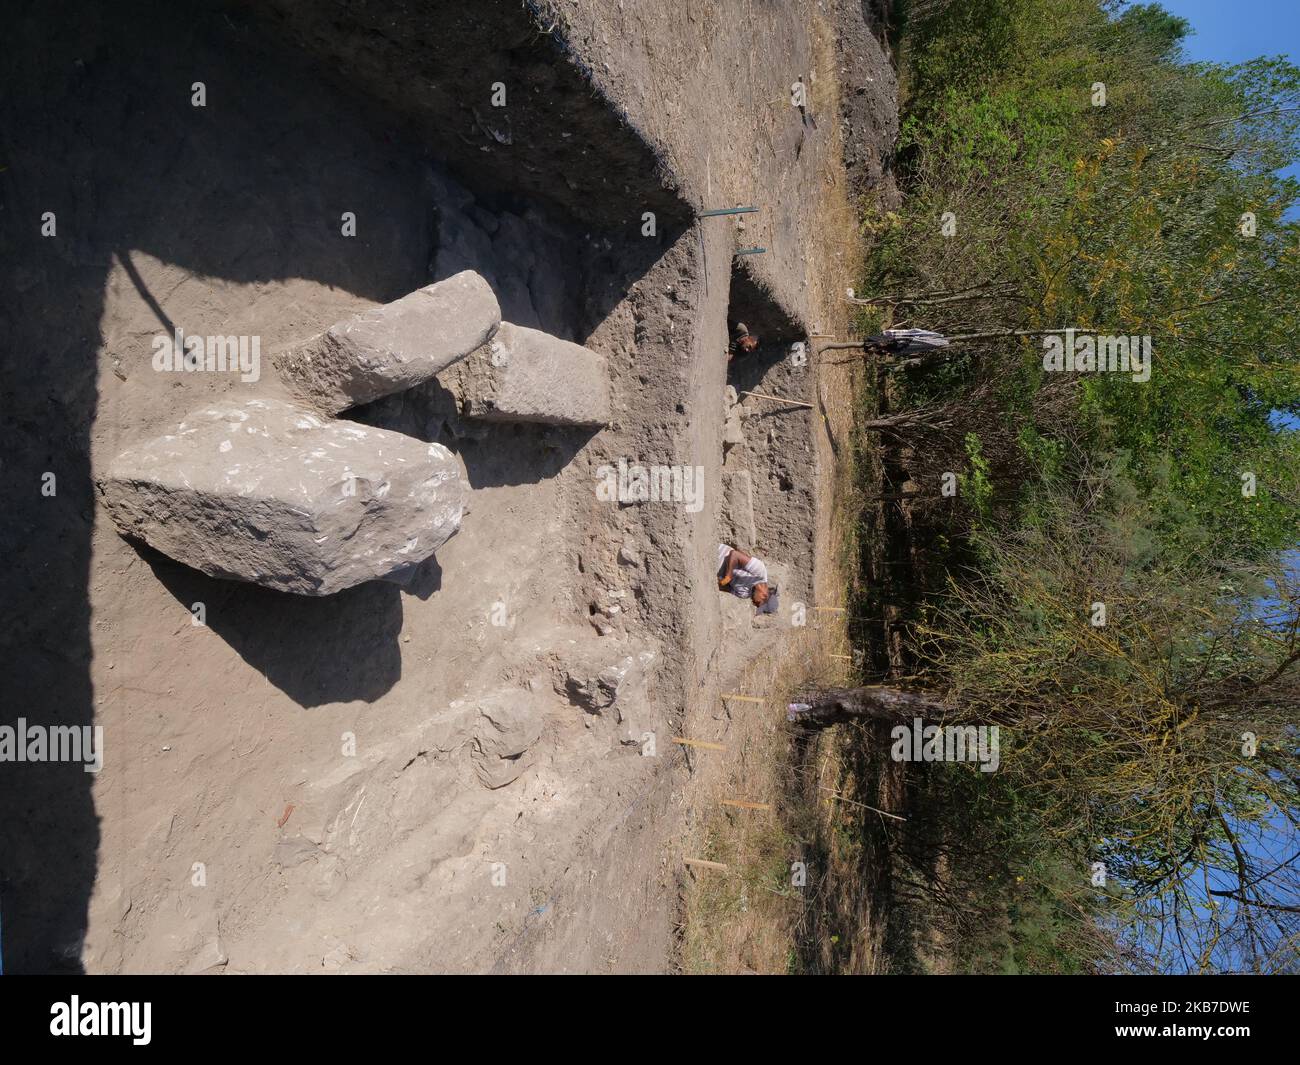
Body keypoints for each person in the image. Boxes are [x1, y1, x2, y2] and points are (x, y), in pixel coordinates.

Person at [717, 543, 779, 614]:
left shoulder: (745, 595)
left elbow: (724, 587)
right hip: (716, 552)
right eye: (757, 603)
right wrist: (729, 574)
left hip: (710, 570)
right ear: (763, 595)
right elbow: (734, 554)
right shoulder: (760, 572)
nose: (754, 603)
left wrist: (720, 582)